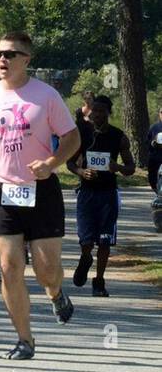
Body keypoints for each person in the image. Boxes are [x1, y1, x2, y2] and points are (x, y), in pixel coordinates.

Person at [0, 32, 80, 360]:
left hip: (41, 189)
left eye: (11, 54)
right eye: (0, 53)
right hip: (3, 190)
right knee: (10, 265)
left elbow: (71, 137)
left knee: (46, 270)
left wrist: (53, 162)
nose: (3, 59)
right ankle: (24, 339)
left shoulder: (46, 96)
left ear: (27, 60)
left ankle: (56, 294)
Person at [69, 95, 134, 297]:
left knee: (105, 241)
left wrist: (119, 167)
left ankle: (99, 281)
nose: (97, 115)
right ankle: (86, 258)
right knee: (87, 241)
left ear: (108, 113)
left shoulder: (118, 136)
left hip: (108, 194)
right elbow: (70, 163)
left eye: (101, 111)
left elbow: (131, 168)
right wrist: (81, 172)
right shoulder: (83, 134)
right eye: (94, 111)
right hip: (87, 193)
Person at [145, 108, 162, 192]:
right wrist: (153, 143)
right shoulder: (154, 127)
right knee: (153, 179)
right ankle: (156, 191)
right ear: (159, 114)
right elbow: (147, 143)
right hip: (156, 159)